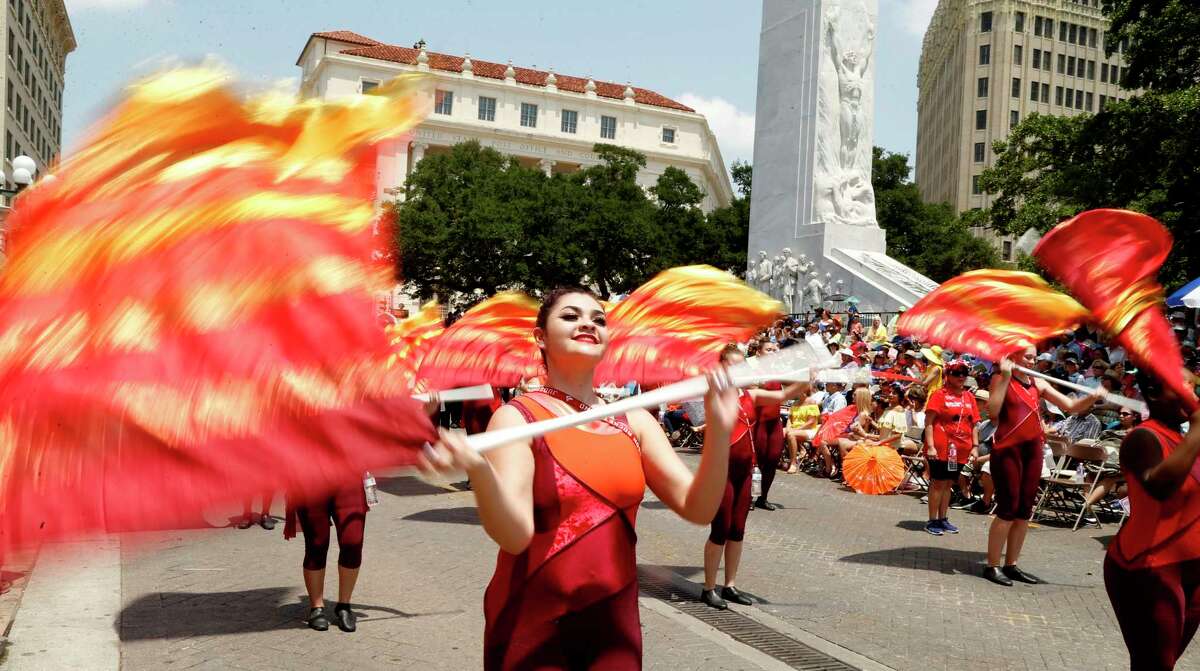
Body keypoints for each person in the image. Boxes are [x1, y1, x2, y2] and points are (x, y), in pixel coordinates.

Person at [416, 288, 745, 669]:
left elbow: (699, 509)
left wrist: (720, 430)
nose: (588, 323)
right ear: (540, 337)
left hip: (614, 625)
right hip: (533, 624)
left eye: (598, 319)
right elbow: (514, 535)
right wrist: (479, 469)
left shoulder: (634, 421)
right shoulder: (516, 418)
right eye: (570, 316)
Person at [982, 348, 1104, 586]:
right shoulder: (1000, 378)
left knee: (1024, 510)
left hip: (1033, 450)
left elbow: (1070, 406)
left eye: (1034, 357)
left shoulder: (1038, 382)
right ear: (1013, 356)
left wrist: (1093, 397)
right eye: (1027, 356)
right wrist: (1005, 376)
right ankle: (992, 565)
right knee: (1008, 508)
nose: (1032, 361)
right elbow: (993, 412)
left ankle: (1011, 564)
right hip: (1008, 450)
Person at [1105, 369, 1200, 671]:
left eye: (1194, 386)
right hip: (1148, 569)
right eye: (1183, 386)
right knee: (1154, 664)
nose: (1192, 394)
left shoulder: (1185, 438)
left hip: (1192, 570)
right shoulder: (1143, 437)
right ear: (1155, 393)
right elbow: (1159, 487)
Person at [703, 344, 809, 609]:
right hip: (721, 472)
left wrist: (808, 372)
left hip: (746, 471)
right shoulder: (715, 394)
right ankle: (708, 588)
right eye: (733, 365)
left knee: (738, 528)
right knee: (720, 529)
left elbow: (785, 394)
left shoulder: (751, 395)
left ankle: (730, 585)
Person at [922, 360, 979, 536]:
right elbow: (928, 422)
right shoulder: (939, 395)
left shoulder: (969, 397)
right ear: (948, 375)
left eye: (964, 373)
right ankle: (932, 520)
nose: (961, 376)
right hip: (940, 447)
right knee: (938, 483)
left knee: (948, 484)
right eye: (956, 373)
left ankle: (943, 518)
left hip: (959, 450)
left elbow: (974, 423)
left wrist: (975, 446)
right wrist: (931, 446)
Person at [752, 341, 787, 511]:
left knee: (773, 460)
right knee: (756, 462)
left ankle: (762, 498)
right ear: (759, 353)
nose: (773, 352)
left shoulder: (779, 371)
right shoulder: (753, 371)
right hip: (758, 422)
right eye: (769, 350)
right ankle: (749, 496)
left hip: (774, 423)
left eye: (775, 349)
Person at [785, 397, 821, 473]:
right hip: (795, 428)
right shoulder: (794, 403)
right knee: (779, 432)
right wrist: (788, 428)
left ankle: (793, 463)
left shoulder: (812, 402)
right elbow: (789, 419)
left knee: (791, 435)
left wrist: (796, 429)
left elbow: (811, 422)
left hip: (809, 429)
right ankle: (780, 460)